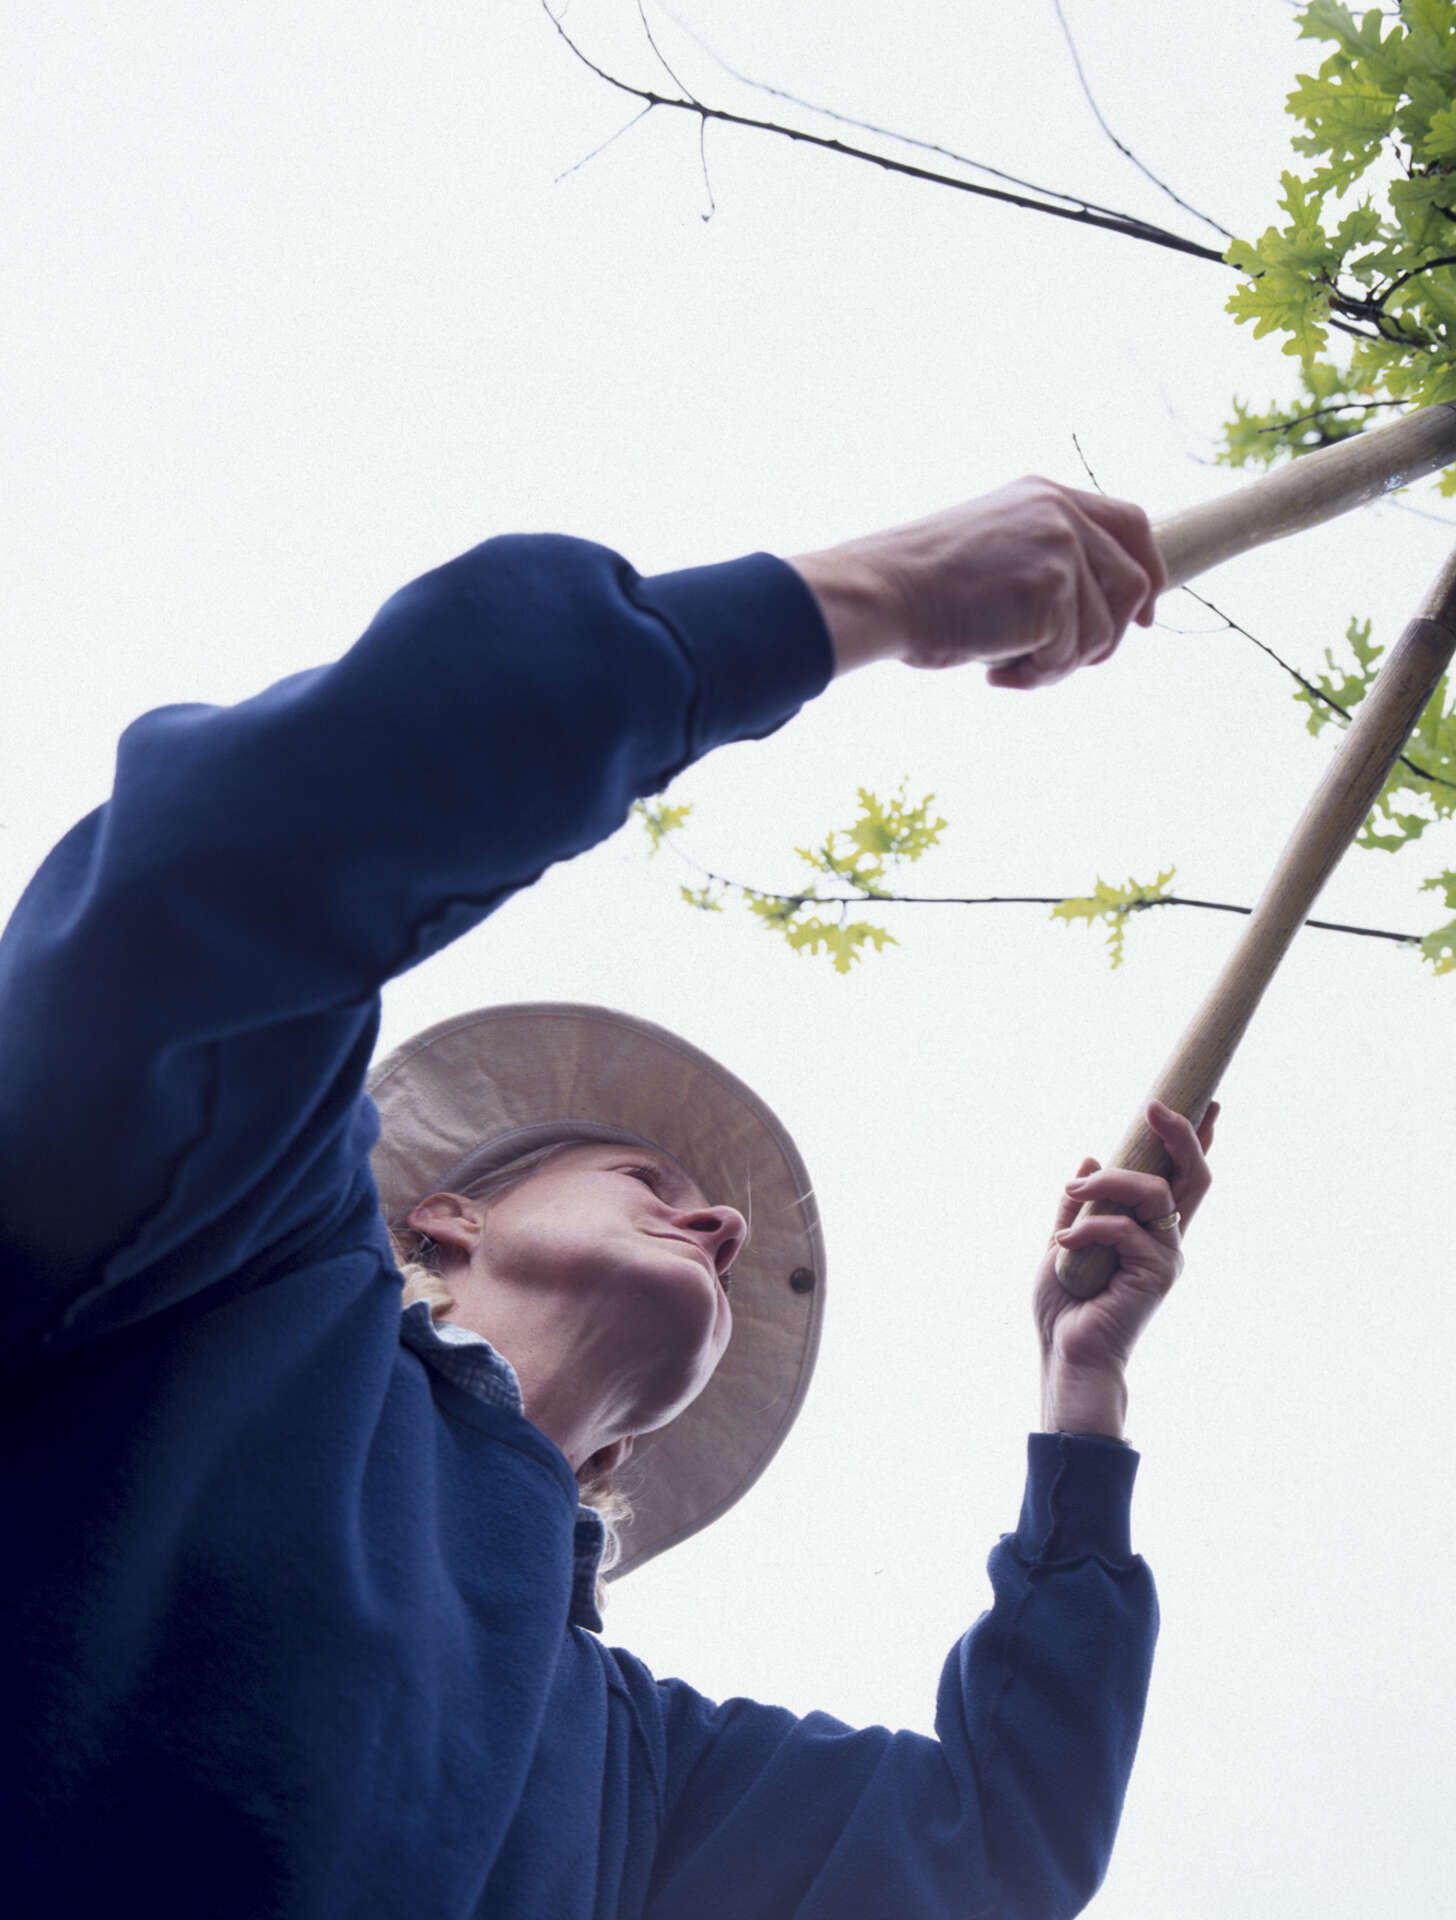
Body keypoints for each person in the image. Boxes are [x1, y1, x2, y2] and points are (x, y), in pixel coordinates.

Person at [0, 476, 1220, 1918]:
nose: (722, 1223)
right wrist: (875, 597)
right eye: (656, 1181)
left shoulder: (630, 1773)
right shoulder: (231, 1267)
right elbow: (231, 865)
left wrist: (1082, 1403)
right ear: (446, 1216)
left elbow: (1001, 1845)